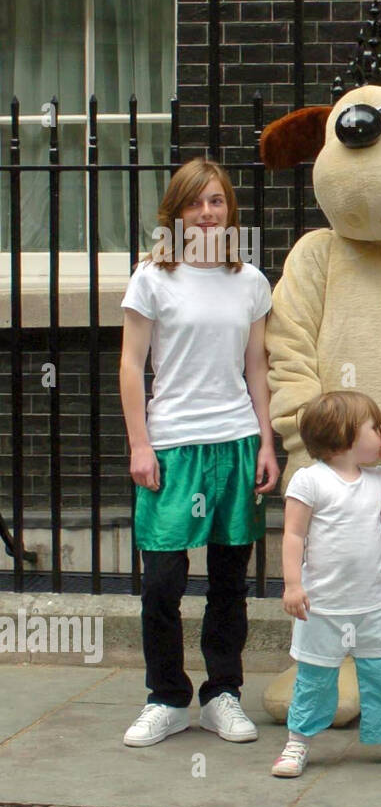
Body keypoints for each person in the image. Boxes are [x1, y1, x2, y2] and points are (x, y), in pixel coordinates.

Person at [119, 157, 279, 747]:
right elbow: (131, 365)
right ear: (177, 212)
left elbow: (257, 367)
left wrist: (266, 441)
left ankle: (223, 694)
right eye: (195, 203)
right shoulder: (152, 278)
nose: (207, 212)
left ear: (228, 208)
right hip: (172, 444)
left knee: (230, 580)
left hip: (235, 441)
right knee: (161, 580)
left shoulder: (251, 281)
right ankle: (165, 696)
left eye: (216, 201)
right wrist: (141, 443)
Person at [271, 391, 381, 777]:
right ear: (346, 433)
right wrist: (292, 585)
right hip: (322, 606)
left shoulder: (376, 480)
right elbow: (292, 535)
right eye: (375, 427)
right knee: (314, 677)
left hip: (371, 605)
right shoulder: (309, 480)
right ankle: (297, 742)